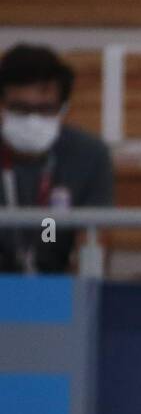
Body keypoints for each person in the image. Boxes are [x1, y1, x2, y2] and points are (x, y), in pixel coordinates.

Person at [0, 44, 113, 274]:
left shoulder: (89, 155)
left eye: (45, 109)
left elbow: (94, 245)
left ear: (63, 109)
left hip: (58, 290)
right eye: (20, 109)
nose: (32, 120)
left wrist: (76, 300)